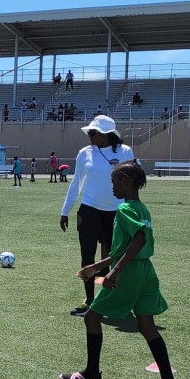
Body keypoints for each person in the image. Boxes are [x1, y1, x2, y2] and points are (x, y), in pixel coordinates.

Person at [60, 161, 182, 379]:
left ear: (126, 181)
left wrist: (115, 272)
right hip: (146, 270)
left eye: (114, 181)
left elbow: (138, 239)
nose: (112, 187)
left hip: (129, 272)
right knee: (147, 325)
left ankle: (91, 374)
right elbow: (127, 247)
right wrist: (96, 267)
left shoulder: (125, 209)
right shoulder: (142, 209)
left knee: (91, 317)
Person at [60, 115, 135, 316]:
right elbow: (76, 183)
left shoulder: (125, 151)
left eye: (94, 132)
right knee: (87, 256)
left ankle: (108, 299)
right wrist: (65, 211)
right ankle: (90, 301)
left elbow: (132, 182)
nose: (90, 135)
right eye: (90, 132)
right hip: (89, 210)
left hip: (117, 213)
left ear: (106, 134)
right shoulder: (84, 153)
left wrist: (132, 209)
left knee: (112, 258)